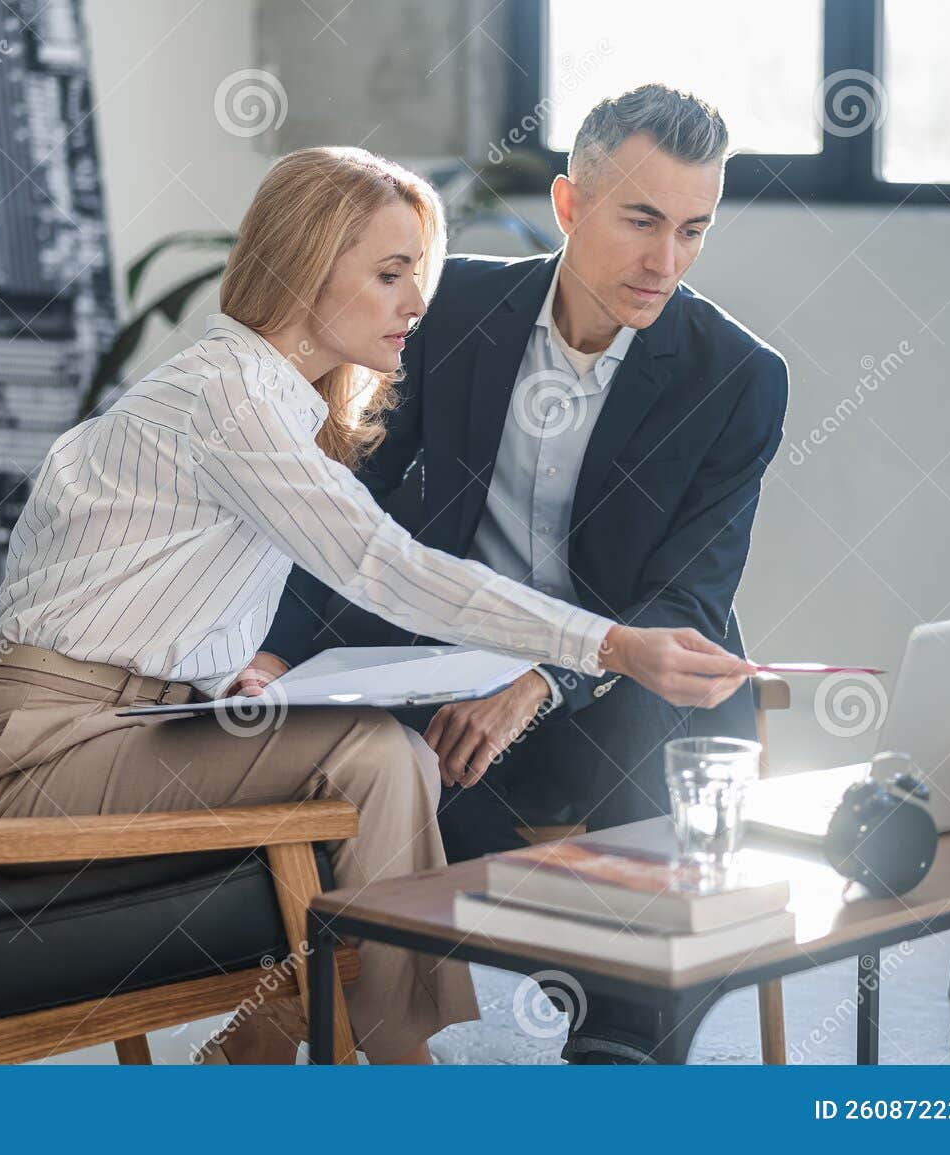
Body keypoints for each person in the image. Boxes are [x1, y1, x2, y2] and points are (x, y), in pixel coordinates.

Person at [0, 144, 754, 1065]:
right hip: (40, 756)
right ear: (301, 268)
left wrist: (261, 665)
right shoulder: (230, 399)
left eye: (421, 272)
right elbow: (381, 564)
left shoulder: (271, 401)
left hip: (135, 732)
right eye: (390, 273)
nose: (418, 301)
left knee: (377, 755)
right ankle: (397, 1065)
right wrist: (606, 643)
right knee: (373, 755)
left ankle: (278, 1049)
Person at [259, 88, 789, 1062]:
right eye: (639, 220)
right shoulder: (452, 307)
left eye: (691, 230)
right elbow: (354, 503)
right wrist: (274, 647)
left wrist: (544, 677)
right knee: (377, 745)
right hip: (454, 668)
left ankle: (619, 1052)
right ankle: (597, 973)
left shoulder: (739, 376)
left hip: (628, 682)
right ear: (569, 205)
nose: (663, 262)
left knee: (632, 708)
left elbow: (688, 595)